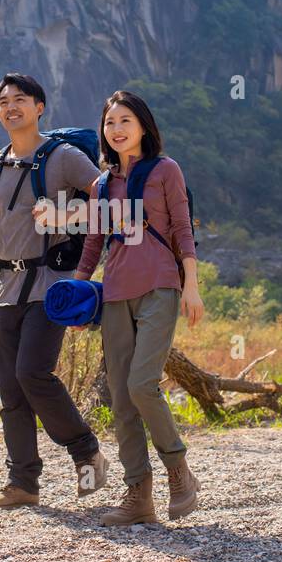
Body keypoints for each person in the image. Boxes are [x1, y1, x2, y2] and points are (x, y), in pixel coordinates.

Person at [0, 73, 108, 510]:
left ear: (39, 107)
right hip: (8, 288)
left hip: (51, 286)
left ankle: (85, 449)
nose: (11, 107)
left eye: (20, 99)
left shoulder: (64, 157)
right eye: (4, 101)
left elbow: (108, 201)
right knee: (12, 390)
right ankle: (23, 483)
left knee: (33, 373)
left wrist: (63, 211)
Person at [73, 90, 204, 525]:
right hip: (114, 294)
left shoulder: (166, 171)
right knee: (121, 397)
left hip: (161, 287)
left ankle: (178, 471)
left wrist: (192, 286)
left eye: (125, 120)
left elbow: (183, 229)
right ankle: (138, 496)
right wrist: (76, 294)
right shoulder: (101, 184)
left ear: (143, 126)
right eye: (110, 123)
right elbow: (93, 243)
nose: (117, 129)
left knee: (142, 384)